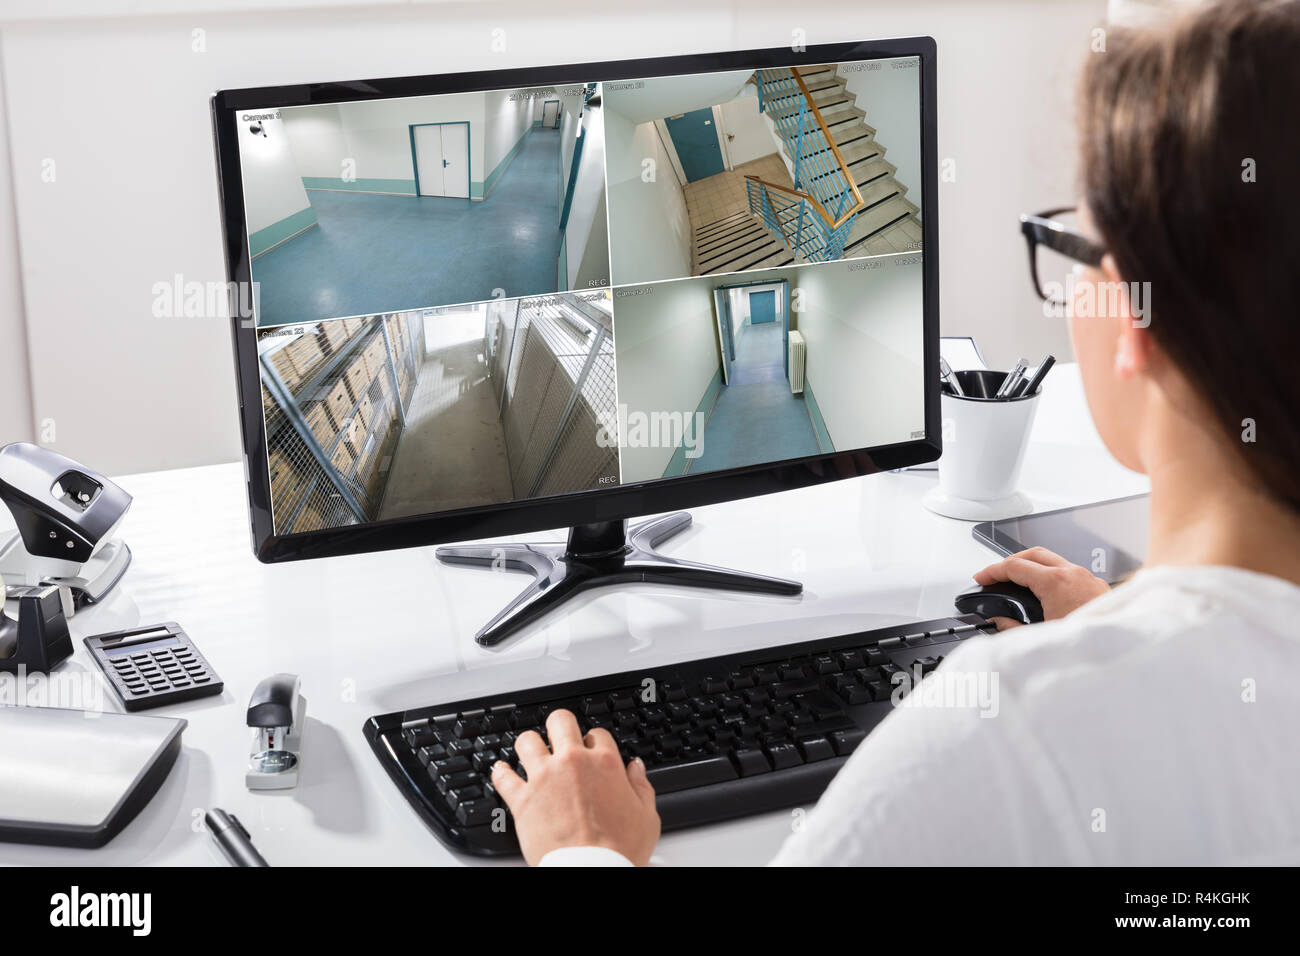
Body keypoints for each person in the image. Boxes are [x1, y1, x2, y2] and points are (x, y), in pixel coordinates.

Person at [491, 0, 1300, 866]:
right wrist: (1139, 641)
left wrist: (585, 848)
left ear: (1131, 318)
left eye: (1074, 241)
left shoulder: (1006, 729)